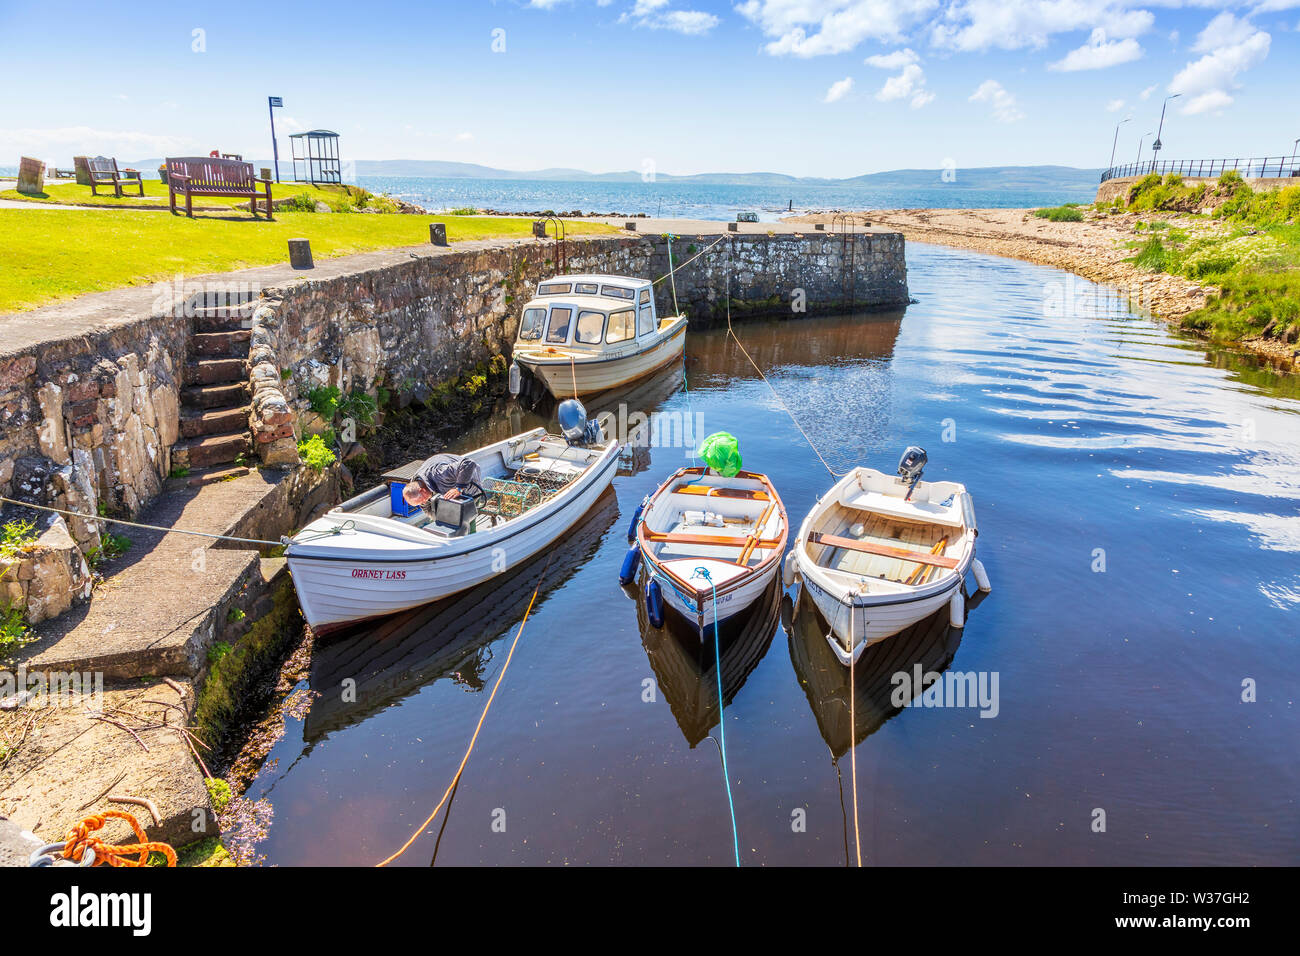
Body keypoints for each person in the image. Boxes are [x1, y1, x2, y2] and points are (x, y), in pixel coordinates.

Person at [402, 454, 482, 509]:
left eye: (422, 501)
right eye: (420, 503)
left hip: (470, 478)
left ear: (422, 490)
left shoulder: (440, 473)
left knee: (466, 516)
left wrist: (459, 488)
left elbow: (469, 463)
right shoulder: (416, 484)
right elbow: (426, 508)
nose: (424, 502)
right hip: (447, 482)